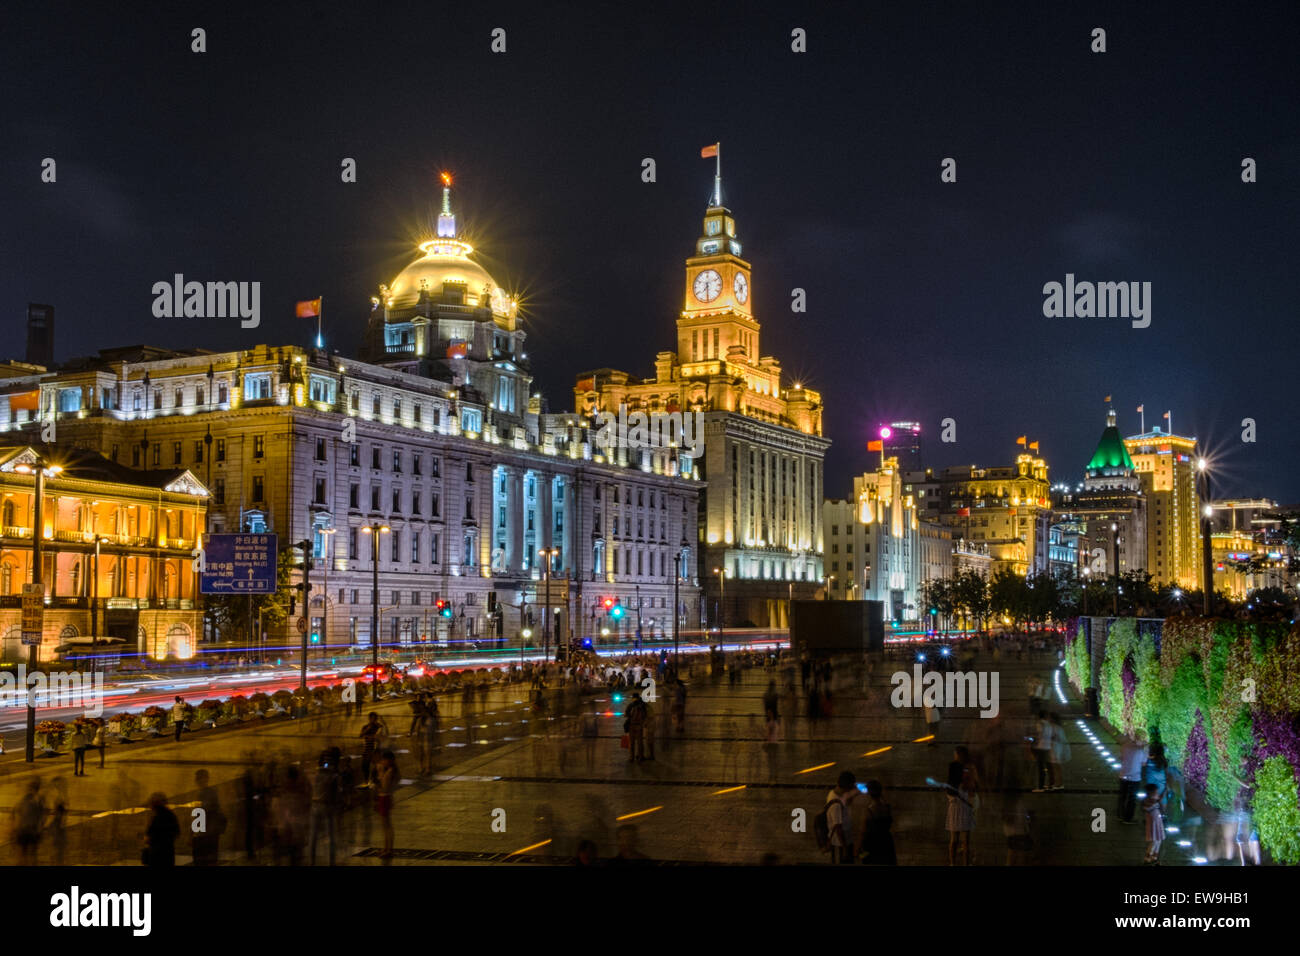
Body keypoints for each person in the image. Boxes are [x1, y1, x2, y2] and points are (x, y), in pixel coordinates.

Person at [945, 746, 979, 866]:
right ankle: (955, 863)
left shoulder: (965, 767)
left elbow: (972, 785)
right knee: (958, 839)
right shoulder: (959, 767)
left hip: (960, 802)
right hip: (960, 801)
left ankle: (957, 863)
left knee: (960, 839)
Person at [855, 780, 896, 865]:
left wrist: (857, 849)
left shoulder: (868, 811)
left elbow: (862, 832)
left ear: (869, 794)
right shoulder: (887, 808)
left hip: (872, 845)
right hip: (886, 843)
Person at [192, 768, 225, 865]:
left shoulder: (205, 793)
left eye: (199, 778)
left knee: (204, 859)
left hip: (206, 833)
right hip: (210, 832)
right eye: (198, 778)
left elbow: (202, 813)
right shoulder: (209, 792)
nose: (198, 781)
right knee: (210, 859)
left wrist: (195, 832)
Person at [825, 771, 857, 864]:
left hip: (845, 841)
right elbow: (838, 827)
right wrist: (845, 849)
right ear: (847, 786)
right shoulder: (836, 803)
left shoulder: (834, 793)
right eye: (851, 786)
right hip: (840, 844)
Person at [11, 779, 46, 865]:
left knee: (25, 854)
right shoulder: (38, 801)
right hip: (29, 831)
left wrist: (14, 828)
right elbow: (42, 818)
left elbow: (16, 813)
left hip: (25, 830)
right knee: (30, 855)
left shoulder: (26, 800)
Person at [142, 792, 180, 867]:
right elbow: (176, 832)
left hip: (156, 855)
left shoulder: (156, 817)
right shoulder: (171, 815)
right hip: (168, 854)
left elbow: (148, 837)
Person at [375, 750, 399, 862]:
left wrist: (380, 775)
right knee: (385, 826)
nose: (382, 761)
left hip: (385, 797)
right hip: (384, 797)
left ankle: (389, 849)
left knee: (386, 826)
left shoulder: (390, 772)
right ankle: (386, 848)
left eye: (384, 759)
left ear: (389, 760)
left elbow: (384, 786)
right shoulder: (388, 770)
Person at [1118, 737, 1146, 823]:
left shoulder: (1125, 746)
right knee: (1132, 799)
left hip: (1123, 775)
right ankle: (1128, 818)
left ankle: (1119, 815)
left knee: (1122, 796)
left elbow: (1121, 758)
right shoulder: (1141, 750)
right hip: (1135, 777)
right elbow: (1144, 763)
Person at [359, 712, 387, 785]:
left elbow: (380, 736)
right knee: (365, 766)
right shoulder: (366, 727)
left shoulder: (379, 726)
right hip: (367, 749)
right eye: (372, 718)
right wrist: (368, 729)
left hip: (376, 749)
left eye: (375, 719)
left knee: (376, 767)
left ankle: (374, 780)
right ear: (369, 719)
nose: (373, 720)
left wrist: (371, 737)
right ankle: (366, 780)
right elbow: (360, 735)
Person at [1030, 711, 1054, 792]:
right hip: (1048, 747)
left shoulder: (1039, 724)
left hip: (1041, 747)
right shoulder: (1049, 724)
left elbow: (1038, 735)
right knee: (1048, 767)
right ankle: (1051, 785)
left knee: (1041, 767)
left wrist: (1032, 740)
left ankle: (1041, 787)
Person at [1142, 783, 1165, 864]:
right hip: (1153, 824)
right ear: (1150, 794)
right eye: (1156, 793)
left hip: (1157, 822)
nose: (1157, 794)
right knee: (1154, 841)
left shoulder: (1153, 800)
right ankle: (1148, 856)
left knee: (1158, 840)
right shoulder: (1148, 802)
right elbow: (1156, 801)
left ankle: (1154, 856)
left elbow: (1159, 799)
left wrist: (1165, 791)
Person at [1048, 712, 1069, 790]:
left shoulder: (1057, 728)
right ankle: (1057, 783)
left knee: (1057, 767)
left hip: (1056, 749)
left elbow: (1061, 739)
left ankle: (1059, 783)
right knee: (1055, 767)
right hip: (1054, 749)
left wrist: (1052, 738)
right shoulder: (1055, 727)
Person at [625, 692, 648, 762]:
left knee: (631, 742)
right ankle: (640, 756)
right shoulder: (643, 705)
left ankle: (631, 757)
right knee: (640, 742)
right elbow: (645, 715)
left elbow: (626, 714)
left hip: (632, 725)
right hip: (639, 726)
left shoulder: (630, 705)